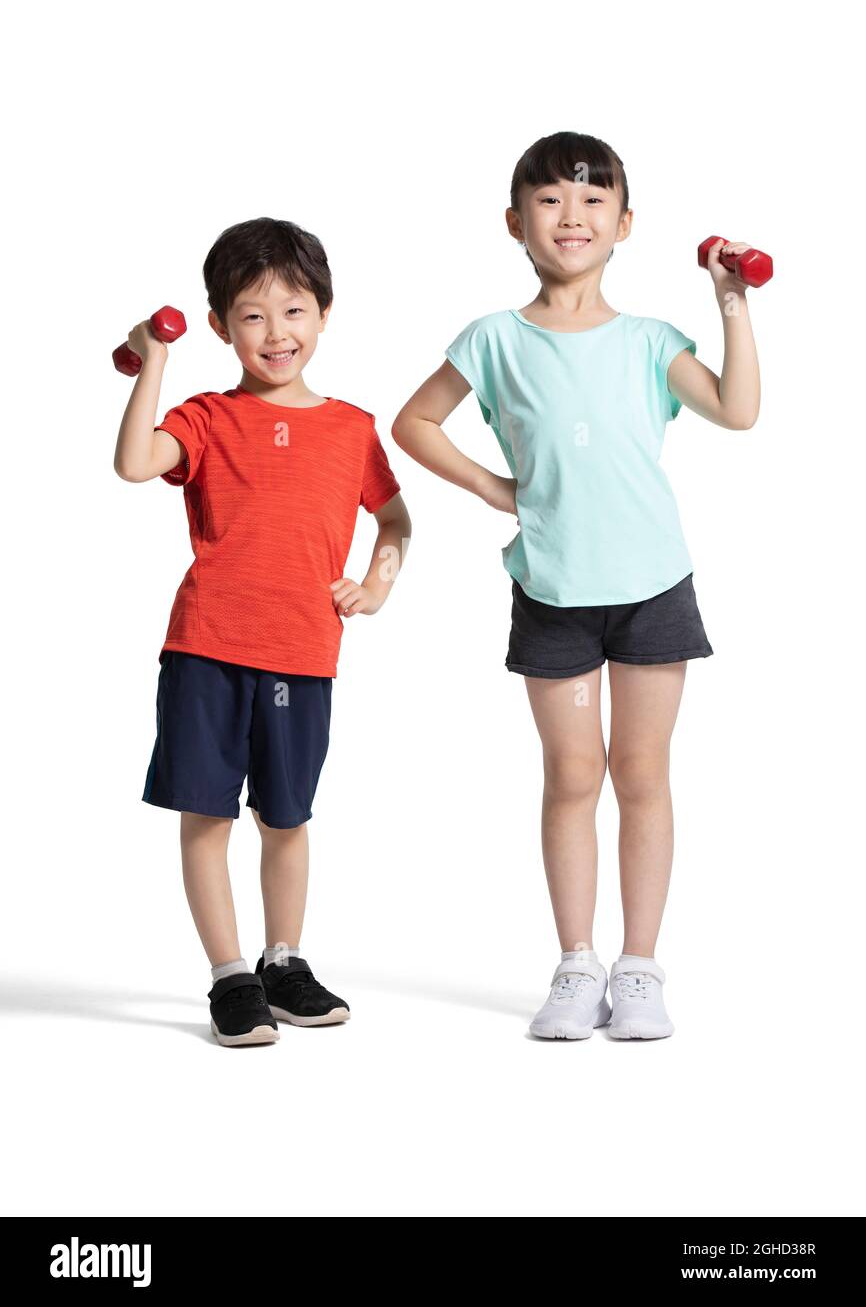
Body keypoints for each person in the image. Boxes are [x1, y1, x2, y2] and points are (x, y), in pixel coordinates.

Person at [391, 131, 759, 1040]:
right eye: (552, 200)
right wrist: (494, 489)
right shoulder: (494, 338)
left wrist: (733, 308)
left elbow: (739, 410)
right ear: (516, 223)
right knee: (570, 775)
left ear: (624, 224)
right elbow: (414, 422)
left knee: (642, 773)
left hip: (652, 586)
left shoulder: (649, 341)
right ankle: (575, 963)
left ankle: (639, 968)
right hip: (553, 584)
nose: (573, 216)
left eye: (594, 202)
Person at [114, 217, 411, 1047]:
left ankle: (284, 962)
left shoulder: (353, 428)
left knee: (286, 816)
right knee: (206, 814)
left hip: (304, 648)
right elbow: (136, 462)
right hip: (207, 645)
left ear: (323, 315)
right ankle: (230, 976)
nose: (275, 334)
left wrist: (377, 585)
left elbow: (395, 522)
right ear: (220, 325)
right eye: (251, 315)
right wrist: (153, 363)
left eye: (293, 312)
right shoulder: (205, 417)